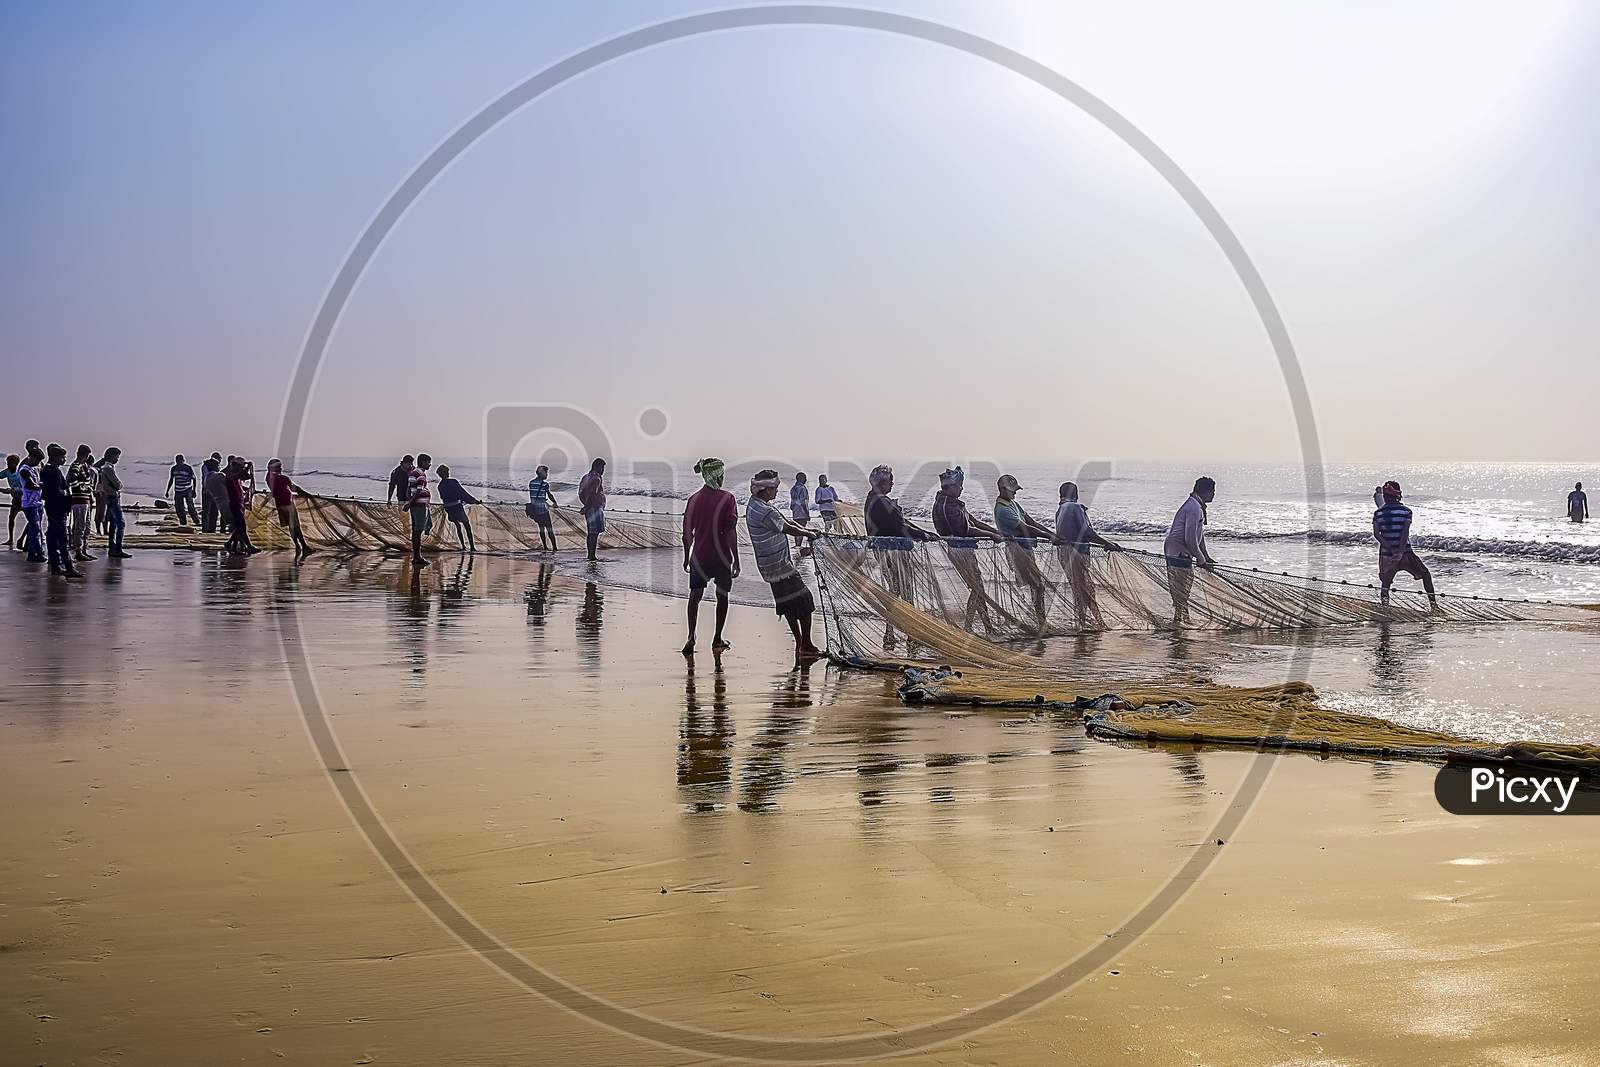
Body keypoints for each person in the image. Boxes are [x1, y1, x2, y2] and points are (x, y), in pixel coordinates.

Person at [745, 469, 824, 664]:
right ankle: (806, 644)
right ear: (766, 489)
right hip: (779, 566)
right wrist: (809, 534)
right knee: (805, 600)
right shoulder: (765, 511)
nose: (777, 492)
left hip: (769, 566)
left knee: (788, 605)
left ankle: (800, 644)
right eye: (775, 488)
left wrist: (805, 530)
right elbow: (788, 528)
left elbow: (786, 521)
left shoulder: (755, 504)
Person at [864, 464, 936, 650]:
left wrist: (924, 532)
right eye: (889, 480)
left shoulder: (873, 499)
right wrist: (924, 535)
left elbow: (901, 523)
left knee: (895, 592)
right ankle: (910, 636)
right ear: (880, 482)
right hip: (892, 554)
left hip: (886, 553)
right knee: (904, 593)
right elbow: (900, 527)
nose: (892, 483)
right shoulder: (881, 502)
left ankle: (892, 635)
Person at [930, 466, 1003, 634]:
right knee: (977, 588)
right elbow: (967, 530)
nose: (961, 488)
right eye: (959, 485)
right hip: (959, 550)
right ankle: (970, 628)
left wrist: (995, 532)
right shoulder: (947, 506)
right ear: (949, 487)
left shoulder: (952, 503)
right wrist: (992, 536)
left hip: (965, 549)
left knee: (978, 588)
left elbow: (974, 522)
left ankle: (986, 627)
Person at [681, 458, 740, 655]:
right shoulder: (728, 498)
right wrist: (736, 560)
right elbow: (731, 531)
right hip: (722, 556)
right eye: (721, 475)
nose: (723, 478)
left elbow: (687, 533)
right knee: (722, 597)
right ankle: (717, 637)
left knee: (695, 596)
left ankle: (691, 635)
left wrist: (686, 556)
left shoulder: (694, 499)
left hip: (700, 556)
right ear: (716, 475)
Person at [993, 474, 1055, 634]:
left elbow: (1032, 522)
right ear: (1002, 490)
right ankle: (1041, 622)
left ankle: (1040, 620)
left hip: (1026, 549)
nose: (1015, 493)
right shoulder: (1002, 510)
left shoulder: (1013, 504)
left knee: (1037, 585)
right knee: (1038, 585)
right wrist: (1050, 537)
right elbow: (1026, 528)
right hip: (1017, 551)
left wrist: (1053, 534)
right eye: (1012, 490)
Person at [1054, 481, 1120, 629]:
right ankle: (1098, 623)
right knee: (1087, 590)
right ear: (1076, 495)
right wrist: (1107, 543)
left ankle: (1083, 622)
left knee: (1079, 589)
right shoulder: (1075, 507)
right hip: (1076, 554)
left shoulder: (1060, 510)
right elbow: (1087, 533)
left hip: (1064, 555)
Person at [1373, 480, 1438, 609]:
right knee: (1425, 574)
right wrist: (1400, 552)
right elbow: (1404, 533)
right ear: (1398, 495)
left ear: (1385, 497)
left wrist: (1392, 550)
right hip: (1406, 554)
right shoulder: (1406, 511)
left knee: (1385, 583)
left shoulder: (1378, 513)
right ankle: (1434, 606)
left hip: (1387, 554)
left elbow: (1377, 534)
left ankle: (1385, 608)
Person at [1163, 476, 1217, 626]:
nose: (1214, 494)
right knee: (1180, 590)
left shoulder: (1196, 506)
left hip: (1180, 552)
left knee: (1183, 591)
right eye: (1212, 491)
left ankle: (1181, 621)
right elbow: (1190, 539)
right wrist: (1200, 559)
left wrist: (1205, 556)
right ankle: (1180, 623)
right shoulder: (1193, 508)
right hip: (1177, 552)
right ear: (1205, 492)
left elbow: (1199, 536)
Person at [41, 444, 81, 577]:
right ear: (56, 457)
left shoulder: (48, 470)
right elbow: (56, 491)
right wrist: (66, 494)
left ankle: (56, 566)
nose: (64, 459)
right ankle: (68, 566)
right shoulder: (53, 471)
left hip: (53, 507)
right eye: (62, 457)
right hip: (57, 508)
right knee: (62, 538)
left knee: (53, 537)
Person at [265, 458, 314, 557]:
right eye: (279, 467)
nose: (281, 468)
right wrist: (308, 495)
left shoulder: (268, 477)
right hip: (287, 505)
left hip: (280, 505)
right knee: (296, 527)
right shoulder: (282, 478)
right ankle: (304, 546)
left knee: (292, 527)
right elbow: (295, 488)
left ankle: (297, 545)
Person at [435, 464, 480, 553]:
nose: (448, 473)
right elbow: (462, 493)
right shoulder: (453, 482)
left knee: (458, 526)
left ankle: (463, 546)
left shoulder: (440, 486)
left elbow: (443, 498)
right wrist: (474, 500)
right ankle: (472, 547)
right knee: (467, 525)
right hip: (457, 507)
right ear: (446, 473)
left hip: (448, 509)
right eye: (447, 472)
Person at [66, 445, 98, 562]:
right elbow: (71, 481)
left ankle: (84, 549)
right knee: (80, 526)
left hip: (86, 500)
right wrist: (84, 488)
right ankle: (78, 551)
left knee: (86, 526)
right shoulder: (76, 466)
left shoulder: (84, 466)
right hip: (79, 500)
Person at [99, 446, 131, 559]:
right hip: (112, 497)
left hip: (110, 497)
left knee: (113, 524)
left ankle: (113, 549)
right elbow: (118, 485)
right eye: (117, 456)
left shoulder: (107, 467)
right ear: (111, 456)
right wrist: (119, 485)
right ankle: (117, 549)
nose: (117, 459)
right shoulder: (108, 468)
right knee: (120, 523)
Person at [222, 457, 256, 555]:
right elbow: (239, 475)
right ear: (234, 466)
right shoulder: (230, 475)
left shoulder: (237, 476)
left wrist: (247, 468)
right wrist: (247, 467)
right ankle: (235, 546)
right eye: (239, 466)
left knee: (239, 527)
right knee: (241, 527)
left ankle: (231, 545)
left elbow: (247, 476)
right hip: (234, 504)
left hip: (239, 503)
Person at [404, 453, 433, 566]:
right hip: (419, 506)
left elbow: (409, 490)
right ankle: (417, 557)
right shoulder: (420, 474)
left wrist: (409, 501)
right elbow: (419, 491)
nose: (429, 465)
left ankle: (417, 556)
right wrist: (410, 503)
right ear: (423, 462)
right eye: (428, 462)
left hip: (415, 506)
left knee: (415, 531)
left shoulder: (413, 473)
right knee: (418, 531)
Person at [17, 445, 45, 561]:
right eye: (37, 460)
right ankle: (37, 553)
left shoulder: (35, 468)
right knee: (35, 528)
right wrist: (40, 486)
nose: (38, 463)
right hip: (29, 503)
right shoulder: (24, 469)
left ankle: (31, 550)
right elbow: (30, 484)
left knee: (34, 528)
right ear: (31, 457)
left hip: (37, 502)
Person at [577, 458, 607, 562]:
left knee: (591, 532)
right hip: (594, 508)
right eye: (602, 467)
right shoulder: (596, 479)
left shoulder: (586, 477)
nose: (603, 470)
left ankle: (590, 555)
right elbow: (591, 493)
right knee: (594, 533)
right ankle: (592, 556)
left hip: (590, 508)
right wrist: (587, 506)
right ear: (596, 467)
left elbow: (580, 492)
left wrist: (585, 505)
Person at [526, 464, 557, 550]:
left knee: (541, 528)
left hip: (534, 509)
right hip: (543, 509)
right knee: (549, 529)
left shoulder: (531, 483)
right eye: (546, 472)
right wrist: (554, 502)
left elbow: (533, 495)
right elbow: (549, 495)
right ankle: (555, 548)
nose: (547, 474)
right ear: (541, 473)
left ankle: (545, 547)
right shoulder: (544, 484)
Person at [167, 453, 199, 526]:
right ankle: (183, 523)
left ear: (183, 461)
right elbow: (171, 480)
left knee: (190, 506)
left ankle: (197, 521)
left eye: (180, 461)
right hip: (178, 490)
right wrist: (167, 491)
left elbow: (194, 479)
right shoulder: (173, 468)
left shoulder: (188, 468)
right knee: (179, 507)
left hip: (187, 489)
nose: (179, 463)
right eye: (177, 461)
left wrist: (194, 490)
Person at [204, 458, 231, 538]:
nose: (219, 467)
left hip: (219, 502)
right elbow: (231, 482)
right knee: (236, 524)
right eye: (218, 465)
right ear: (214, 466)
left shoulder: (207, 478)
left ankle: (231, 542)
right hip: (227, 502)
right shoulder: (219, 475)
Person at [200, 452, 224, 533]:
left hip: (209, 491)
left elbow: (205, 478)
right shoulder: (214, 466)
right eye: (220, 459)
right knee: (212, 511)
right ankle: (209, 529)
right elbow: (206, 478)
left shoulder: (206, 465)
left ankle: (208, 529)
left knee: (208, 511)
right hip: (213, 491)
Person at [789, 472, 812, 555]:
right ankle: (798, 546)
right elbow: (803, 502)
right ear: (801, 479)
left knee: (796, 529)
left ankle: (797, 545)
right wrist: (807, 514)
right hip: (801, 511)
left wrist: (793, 509)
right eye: (805, 478)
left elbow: (792, 503)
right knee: (801, 529)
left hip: (795, 511)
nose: (806, 480)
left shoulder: (793, 488)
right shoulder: (802, 488)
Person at [4, 453, 23, 550]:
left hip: (23, 498)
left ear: (16, 463)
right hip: (15, 499)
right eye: (7, 463)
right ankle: (10, 539)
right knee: (11, 518)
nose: (9, 465)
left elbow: (22, 487)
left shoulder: (20, 473)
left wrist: (9, 490)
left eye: (11, 463)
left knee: (31, 519)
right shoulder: (7, 472)